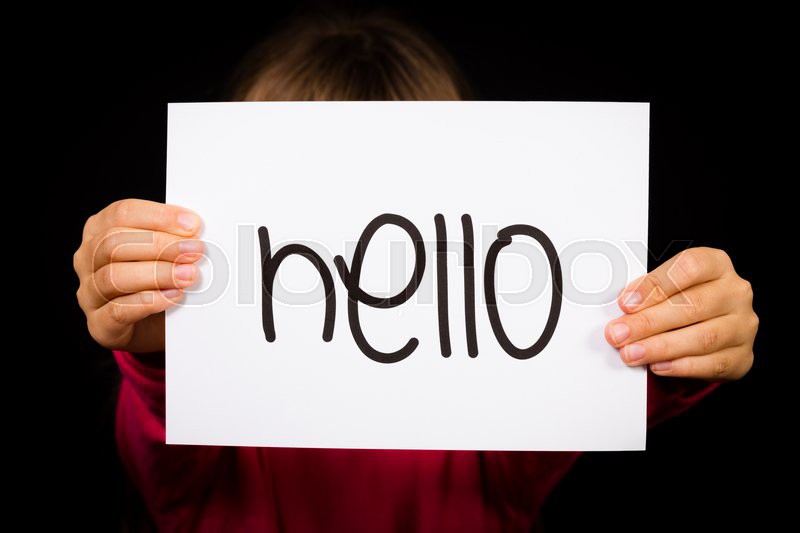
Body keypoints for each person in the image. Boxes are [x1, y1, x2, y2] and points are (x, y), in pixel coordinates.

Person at [72, 10, 758, 532]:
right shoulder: (213, 418)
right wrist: (158, 329)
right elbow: (160, 425)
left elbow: (585, 384)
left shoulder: (494, 418)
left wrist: (680, 339)